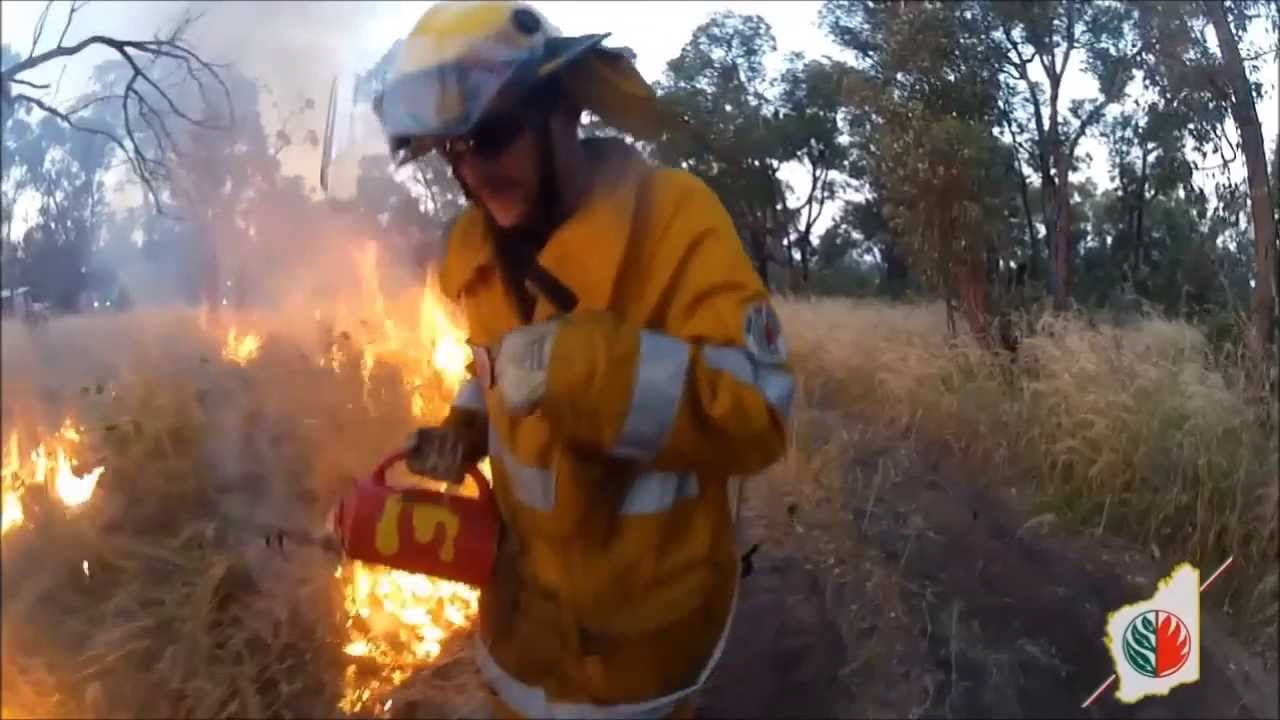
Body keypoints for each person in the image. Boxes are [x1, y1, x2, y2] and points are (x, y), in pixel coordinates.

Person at [375, 3, 794, 718]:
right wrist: (463, 428)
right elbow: (490, 369)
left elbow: (760, 411)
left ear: (562, 111)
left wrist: (583, 369)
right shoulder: (473, 255)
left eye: (492, 136)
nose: (473, 172)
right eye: (452, 151)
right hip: (520, 641)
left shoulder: (675, 220)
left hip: (642, 653)